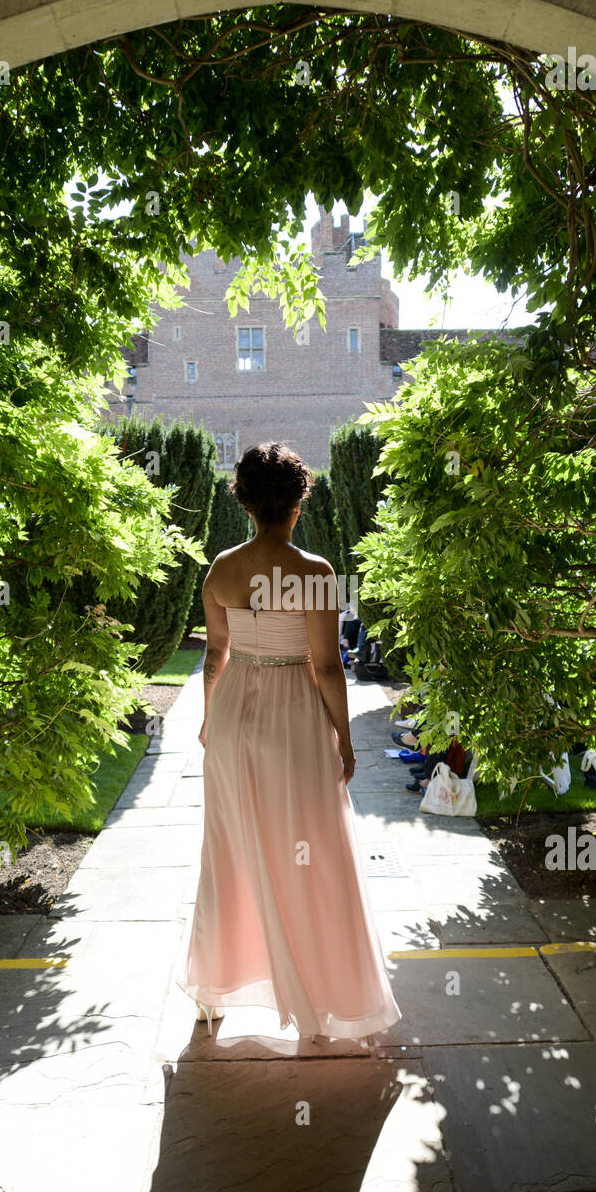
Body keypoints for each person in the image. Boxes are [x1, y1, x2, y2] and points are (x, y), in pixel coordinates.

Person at [174, 443, 402, 1044]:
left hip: (232, 715)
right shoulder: (315, 573)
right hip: (293, 712)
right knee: (310, 846)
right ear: (298, 504)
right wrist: (345, 739)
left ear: (245, 503)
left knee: (229, 847)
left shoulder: (220, 569)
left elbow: (214, 654)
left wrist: (208, 718)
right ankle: (320, 992)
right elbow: (326, 666)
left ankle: (215, 990)